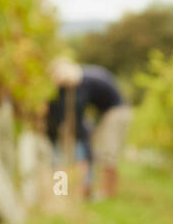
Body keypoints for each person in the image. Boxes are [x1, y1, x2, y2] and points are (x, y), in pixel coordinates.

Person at [46, 58, 132, 199]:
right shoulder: (84, 77)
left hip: (116, 112)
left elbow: (78, 111)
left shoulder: (83, 80)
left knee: (108, 153)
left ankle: (107, 194)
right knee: (101, 152)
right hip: (107, 114)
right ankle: (100, 191)